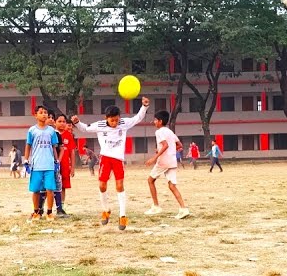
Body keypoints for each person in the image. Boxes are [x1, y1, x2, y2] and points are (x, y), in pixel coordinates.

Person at [71, 97, 151, 230]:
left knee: (119, 186)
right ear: (106, 118)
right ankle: (106, 210)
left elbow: (138, 118)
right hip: (105, 159)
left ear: (119, 117)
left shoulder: (124, 123)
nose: (114, 122)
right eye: (111, 120)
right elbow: (85, 129)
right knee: (102, 186)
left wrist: (144, 106)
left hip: (118, 159)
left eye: (116, 119)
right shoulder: (99, 125)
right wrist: (77, 122)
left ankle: (123, 216)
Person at [145, 110, 190, 219]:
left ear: (160, 121)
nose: (154, 122)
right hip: (172, 161)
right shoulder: (169, 131)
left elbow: (165, 145)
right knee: (172, 186)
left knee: (150, 180)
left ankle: (156, 206)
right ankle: (183, 209)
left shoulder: (159, 132)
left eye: (155, 120)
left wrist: (154, 157)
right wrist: (163, 150)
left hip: (163, 161)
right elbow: (180, 145)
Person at [25, 105, 59, 221]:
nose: (44, 114)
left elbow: (54, 147)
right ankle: (36, 211)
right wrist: (26, 160)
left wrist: (56, 161)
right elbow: (28, 146)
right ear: (35, 115)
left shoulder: (51, 131)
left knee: (50, 189)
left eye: (45, 112)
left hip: (49, 165)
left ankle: (49, 212)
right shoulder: (32, 130)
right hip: (36, 165)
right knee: (36, 190)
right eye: (41, 112)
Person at [51, 110, 75, 217]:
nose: (62, 123)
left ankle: (61, 207)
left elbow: (72, 152)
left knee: (63, 187)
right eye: (59, 121)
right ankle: (49, 207)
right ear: (55, 122)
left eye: (64, 121)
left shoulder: (68, 135)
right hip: (53, 165)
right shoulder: (51, 133)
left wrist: (73, 167)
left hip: (65, 165)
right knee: (51, 186)